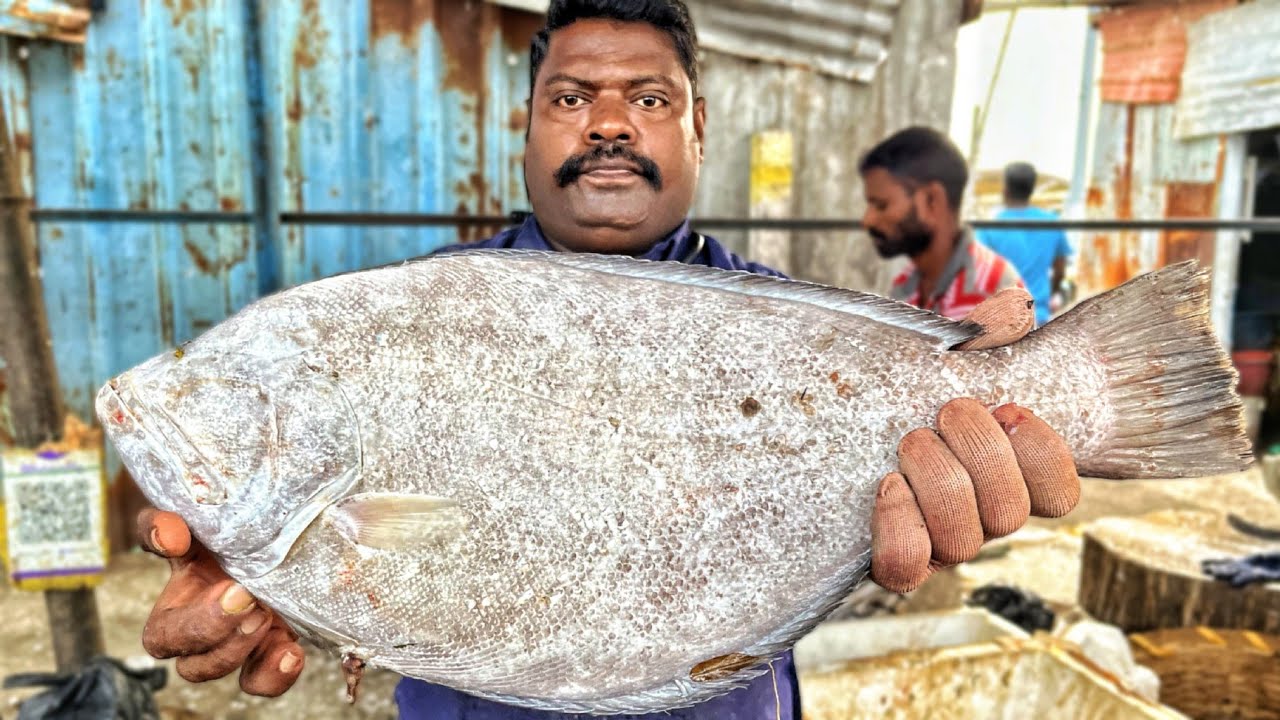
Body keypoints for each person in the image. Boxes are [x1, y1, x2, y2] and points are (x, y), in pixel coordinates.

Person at [133, 2, 1080, 718]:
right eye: (573, 97)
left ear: (699, 127)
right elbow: (373, 551)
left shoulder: (798, 330)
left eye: (651, 99)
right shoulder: (412, 315)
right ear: (529, 127)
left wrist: (984, 432)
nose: (610, 124)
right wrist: (260, 574)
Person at [860, 127, 1025, 321]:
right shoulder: (904, 287)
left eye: (881, 205)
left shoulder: (995, 292)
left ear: (931, 201)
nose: (867, 221)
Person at [978, 162, 1073, 327]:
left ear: (1005, 190)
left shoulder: (989, 228)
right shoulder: (1051, 223)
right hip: (1038, 315)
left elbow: (980, 275)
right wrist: (1050, 294)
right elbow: (1060, 269)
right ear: (1031, 190)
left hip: (1001, 321)